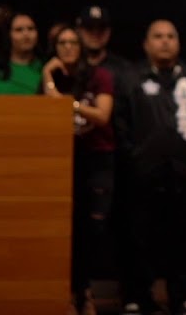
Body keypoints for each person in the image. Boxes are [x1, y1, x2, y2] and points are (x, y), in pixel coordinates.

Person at [115, 19, 186, 315]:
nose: (164, 41)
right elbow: (119, 121)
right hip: (143, 173)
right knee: (138, 237)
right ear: (146, 43)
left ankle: (183, 296)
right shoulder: (130, 78)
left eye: (170, 36)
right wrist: (133, 157)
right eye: (158, 36)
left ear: (178, 42)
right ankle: (138, 297)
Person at [42, 26, 115, 315]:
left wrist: (68, 104)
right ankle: (74, 294)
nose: (68, 47)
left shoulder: (99, 76)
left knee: (92, 229)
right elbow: (45, 112)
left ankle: (85, 290)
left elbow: (102, 115)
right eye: (62, 43)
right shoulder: (52, 76)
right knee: (65, 230)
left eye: (73, 42)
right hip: (60, 161)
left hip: (95, 158)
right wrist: (48, 76)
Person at [0, 11, 44, 95]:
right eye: (19, 30)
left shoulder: (44, 67)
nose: (26, 34)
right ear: (8, 35)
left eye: (31, 29)